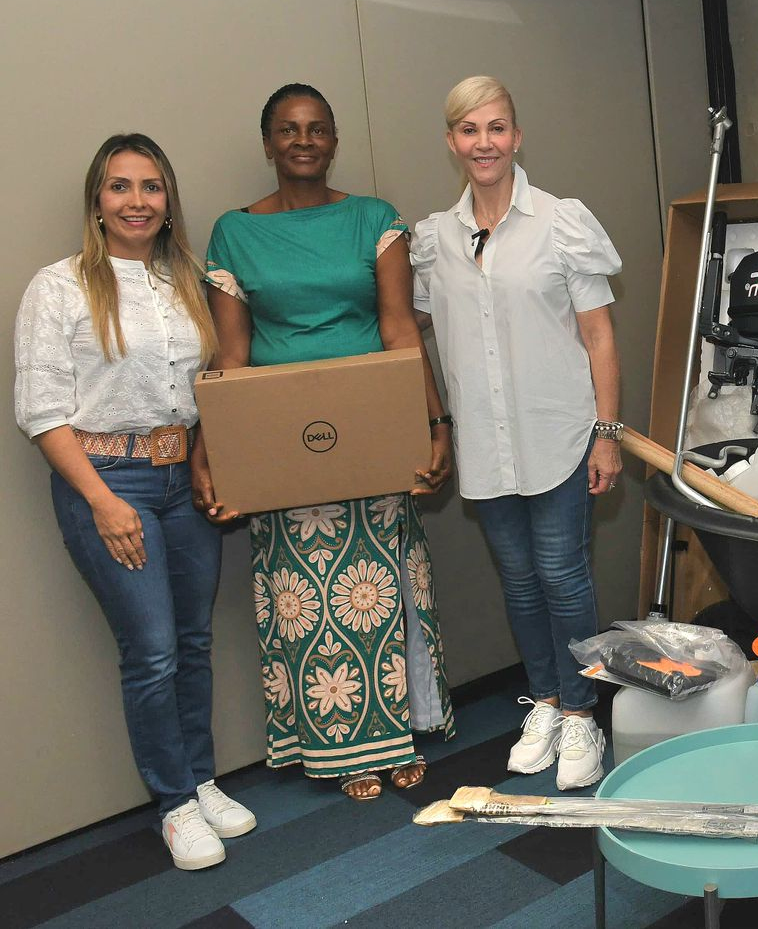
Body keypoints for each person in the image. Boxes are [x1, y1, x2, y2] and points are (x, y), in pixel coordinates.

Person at [195, 84, 456, 801]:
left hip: (373, 427)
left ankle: (401, 731)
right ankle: (340, 749)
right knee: (304, 596)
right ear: (268, 143)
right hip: (279, 441)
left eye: (316, 129)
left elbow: (401, 328)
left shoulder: (375, 219)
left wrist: (436, 425)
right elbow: (232, 353)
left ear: (334, 140)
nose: (302, 140)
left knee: (381, 590)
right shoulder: (233, 233)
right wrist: (212, 452)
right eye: (287, 129)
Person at [15, 134, 255, 870]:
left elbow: (209, 385)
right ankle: (174, 803)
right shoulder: (57, 287)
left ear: (167, 200)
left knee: (192, 642)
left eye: (151, 187)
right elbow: (41, 411)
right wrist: (100, 501)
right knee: (150, 652)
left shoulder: (185, 280)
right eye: (120, 187)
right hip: (107, 482)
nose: (137, 201)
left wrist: (210, 465)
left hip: (183, 479)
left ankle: (202, 778)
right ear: (97, 199)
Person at [411, 75, 622, 790]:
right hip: (486, 442)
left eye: (496, 128)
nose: (484, 143)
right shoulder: (433, 240)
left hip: (560, 434)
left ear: (517, 135)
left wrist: (608, 430)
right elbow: (416, 333)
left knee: (565, 578)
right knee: (522, 584)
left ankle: (584, 715)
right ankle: (548, 702)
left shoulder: (561, 221)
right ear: (451, 142)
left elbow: (599, 335)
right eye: (469, 130)